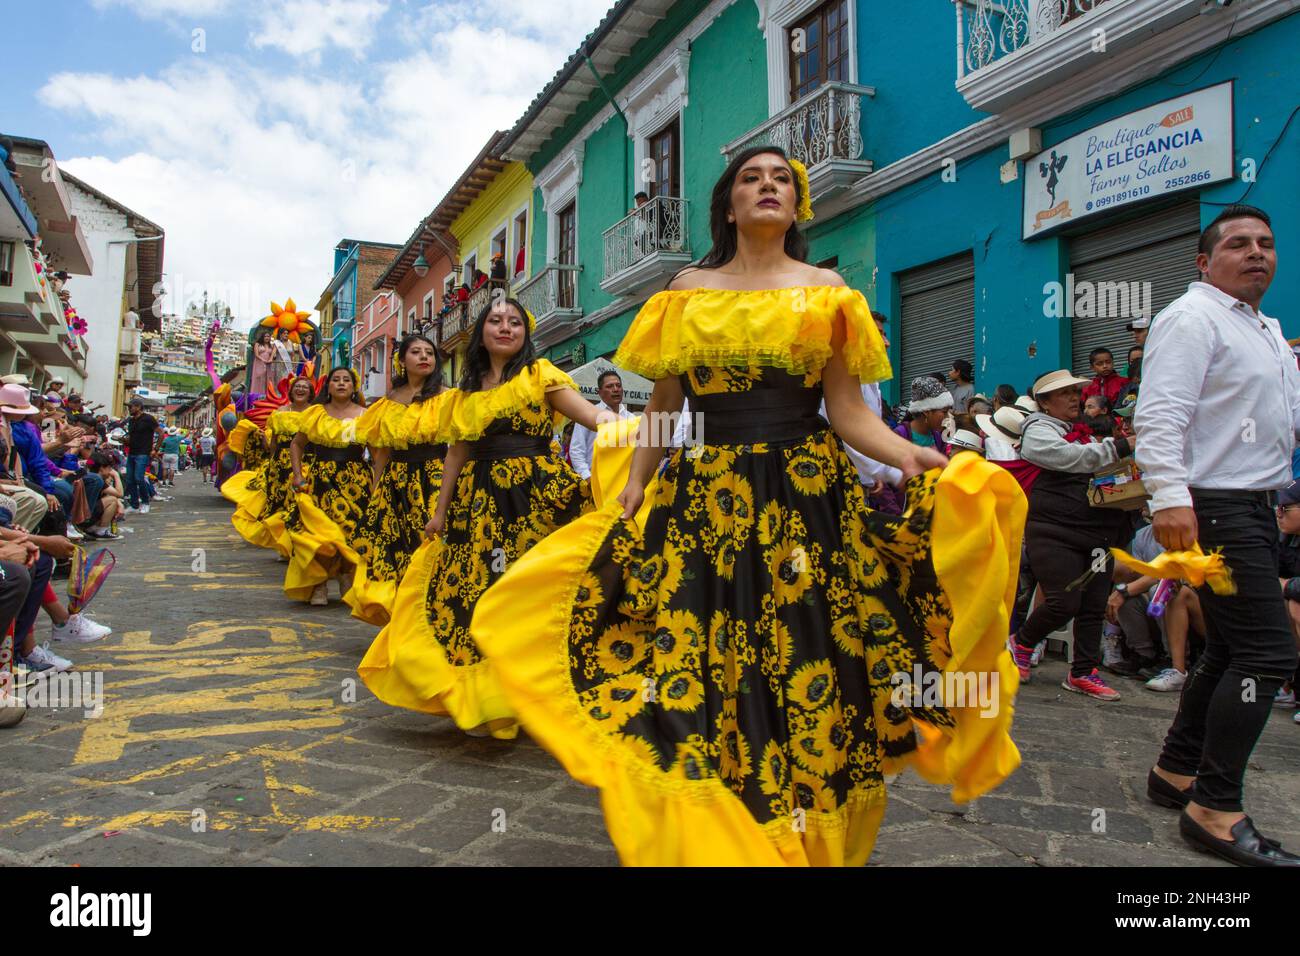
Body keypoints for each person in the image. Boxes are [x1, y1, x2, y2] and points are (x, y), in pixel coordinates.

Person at [466, 145, 1020, 866]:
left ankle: (804, 825)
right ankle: (722, 821)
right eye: (751, 178)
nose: (768, 187)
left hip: (807, 497)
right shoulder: (684, 293)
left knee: (811, 649)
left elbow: (847, 411)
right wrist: (634, 484)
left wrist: (907, 453)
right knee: (704, 652)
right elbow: (665, 408)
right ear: (729, 205)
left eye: (782, 179)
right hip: (707, 497)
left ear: (797, 205)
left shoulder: (828, 292)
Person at [1137, 204, 1300, 867]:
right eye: (1237, 244)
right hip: (1216, 505)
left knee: (1230, 648)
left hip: (1256, 504)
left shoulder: (1264, 327)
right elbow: (1160, 413)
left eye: (1265, 243)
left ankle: (1177, 772)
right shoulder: (1191, 318)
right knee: (1268, 655)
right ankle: (1215, 807)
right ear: (1205, 262)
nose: (1256, 253)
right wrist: (1170, 498)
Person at [358, 298, 598, 740]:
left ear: (526, 332)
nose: (505, 328)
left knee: (531, 594)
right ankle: (485, 697)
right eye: (495, 321)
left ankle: (533, 694)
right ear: (481, 332)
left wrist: (649, 430)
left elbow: (594, 416)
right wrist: (439, 512)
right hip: (478, 503)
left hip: (536, 499)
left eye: (514, 322)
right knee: (474, 594)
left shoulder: (540, 376)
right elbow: (456, 453)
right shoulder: (462, 396)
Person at [1011, 368, 1132, 701]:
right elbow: (1067, 458)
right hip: (1054, 530)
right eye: (1064, 394)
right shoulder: (1039, 430)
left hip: (1096, 532)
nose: (1073, 398)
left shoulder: (1085, 433)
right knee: (1064, 601)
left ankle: (1082, 673)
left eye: (1075, 392)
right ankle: (1021, 642)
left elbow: (1101, 471)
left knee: (1094, 605)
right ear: (1045, 402)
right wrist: (1120, 448)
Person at [343, 334, 450, 626]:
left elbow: (457, 446)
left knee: (428, 545)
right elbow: (381, 453)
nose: (424, 357)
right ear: (402, 361)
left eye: (429, 352)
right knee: (394, 546)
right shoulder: (388, 401)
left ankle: (429, 615)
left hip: (434, 477)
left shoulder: (446, 396)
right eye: (416, 352)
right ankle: (399, 614)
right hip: (395, 481)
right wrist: (377, 489)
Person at [283, 368, 370, 607]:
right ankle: (319, 583)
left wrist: (379, 481)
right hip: (321, 480)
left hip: (356, 481)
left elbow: (380, 450)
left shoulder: (367, 415)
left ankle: (346, 578)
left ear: (354, 386)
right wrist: (298, 475)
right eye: (336, 380)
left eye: (347, 380)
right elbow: (297, 444)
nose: (341, 384)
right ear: (328, 386)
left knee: (350, 531)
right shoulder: (315, 414)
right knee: (319, 533)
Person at [233, 377, 314, 557]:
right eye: (297, 387)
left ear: (310, 392)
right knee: (280, 505)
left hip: (306, 462)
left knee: (301, 504)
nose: (300, 389)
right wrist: (268, 460)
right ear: (291, 391)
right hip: (279, 467)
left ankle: (300, 545)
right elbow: (274, 444)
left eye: (304, 387)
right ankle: (284, 546)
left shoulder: (316, 413)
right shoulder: (279, 413)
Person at [568, 370, 634, 480]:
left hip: (623, 480)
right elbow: (576, 449)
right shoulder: (589, 414)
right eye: (609, 386)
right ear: (600, 392)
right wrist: (587, 477)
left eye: (618, 385)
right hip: (596, 479)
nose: (615, 389)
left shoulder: (631, 418)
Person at [895, 377, 952, 455]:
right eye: (944, 412)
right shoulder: (899, 435)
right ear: (926, 412)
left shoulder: (938, 437)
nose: (948, 417)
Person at [124, 398, 159, 513]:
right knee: (130, 479)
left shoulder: (148, 419)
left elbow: (161, 433)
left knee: (139, 478)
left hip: (143, 452)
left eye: (131, 407)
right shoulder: (131, 420)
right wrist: (124, 440)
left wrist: (155, 449)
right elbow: (131, 437)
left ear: (138, 407)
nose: (129, 409)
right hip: (132, 452)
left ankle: (145, 502)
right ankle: (134, 504)